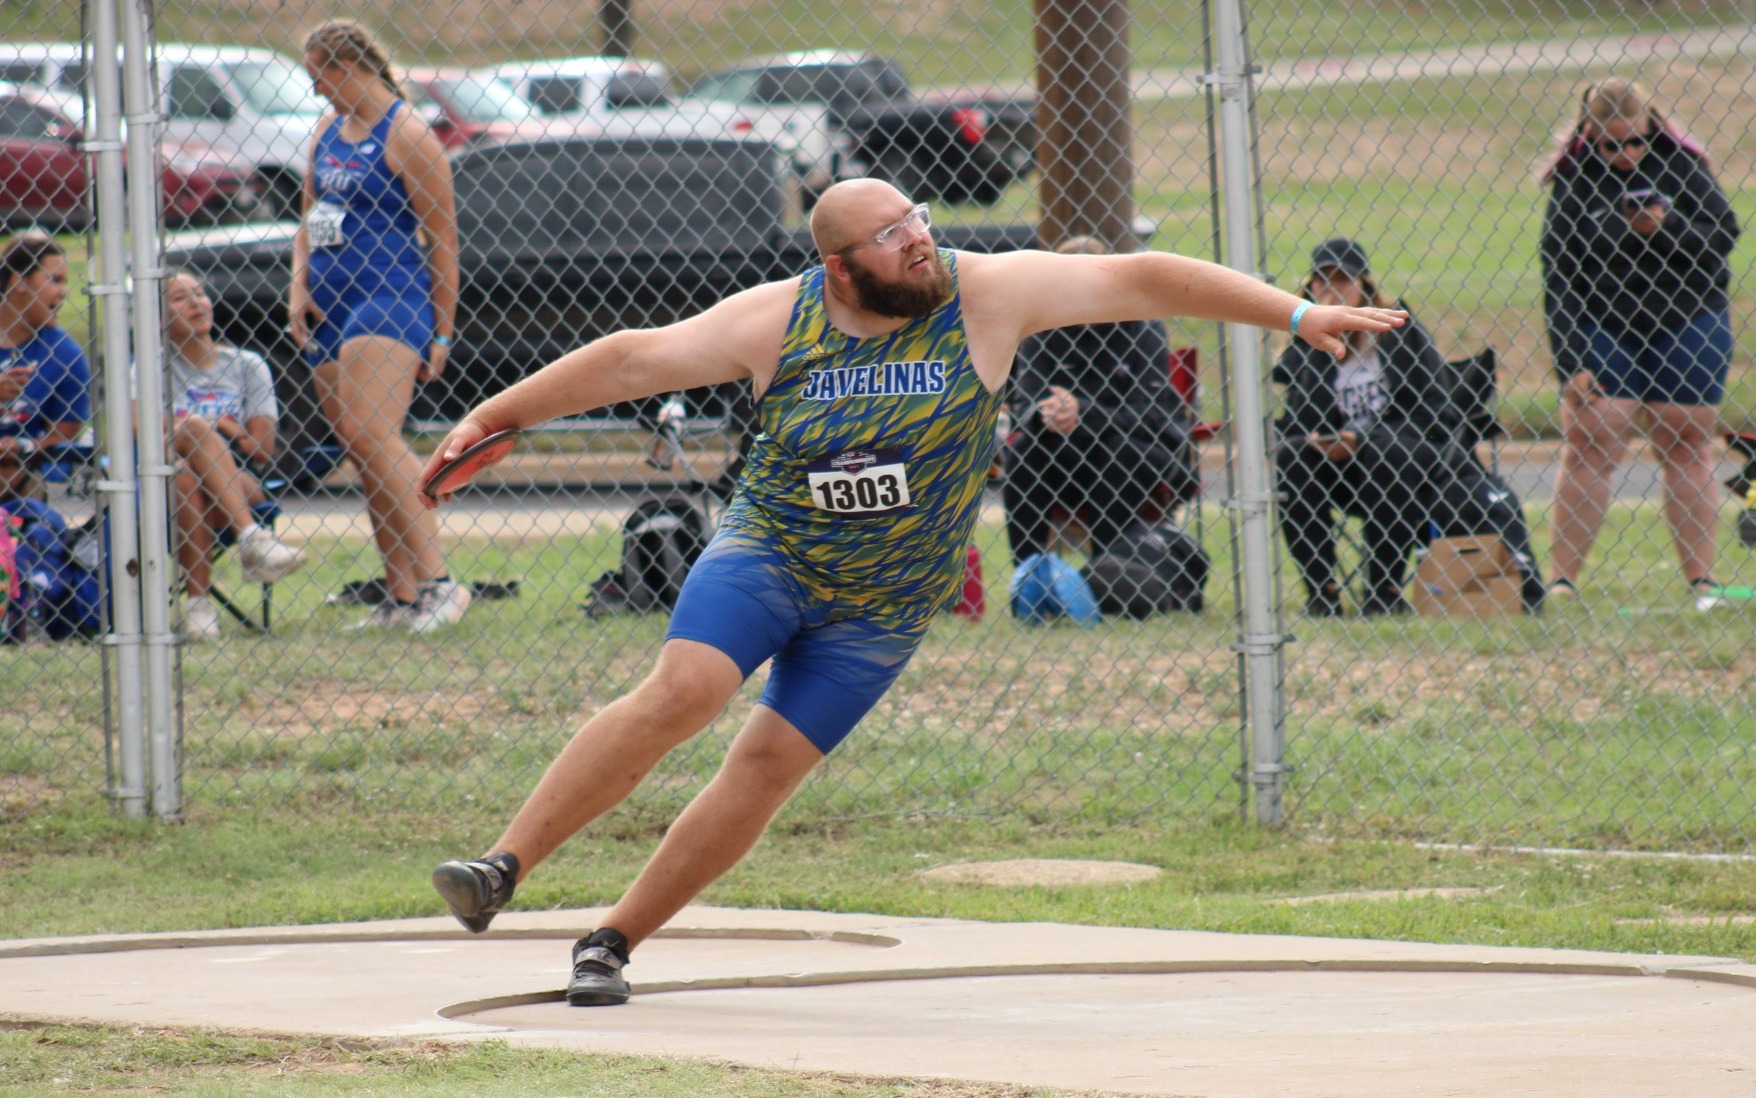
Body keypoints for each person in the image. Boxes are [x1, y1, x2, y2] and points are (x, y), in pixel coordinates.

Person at [424, 180, 1405, 1007]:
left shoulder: (984, 294)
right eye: (894, 236)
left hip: (883, 605)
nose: (921, 241)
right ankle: (500, 867)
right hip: (771, 554)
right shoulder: (781, 316)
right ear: (843, 266)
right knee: (683, 693)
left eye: (919, 219)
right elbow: (635, 356)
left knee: (766, 764)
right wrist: (493, 415)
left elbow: (1140, 277)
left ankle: (611, 944)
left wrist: (1294, 312)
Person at [289, 20, 468, 633]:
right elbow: (311, 215)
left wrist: (442, 331)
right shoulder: (327, 130)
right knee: (360, 451)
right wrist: (298, 286)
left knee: (374, 434)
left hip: (388, 299)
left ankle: (440, 582)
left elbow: (442, 239)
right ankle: (402, 594)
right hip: (329, 303)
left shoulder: (409, 135)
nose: (316, 92)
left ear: (346, 68)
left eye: (320, 78)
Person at [1540, 79, 1740, 611]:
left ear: (1651, 129)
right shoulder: (1576, 179)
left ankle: (1701, 582)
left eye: (1637, 141)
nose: (1627, 154)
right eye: (1613, 145)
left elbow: (1723, 233)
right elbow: (1558, 276)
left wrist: (1666, 225)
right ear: (1591, 137)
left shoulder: (1682, 165)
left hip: (1688, 317)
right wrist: (1570, 363)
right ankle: (1561, 582)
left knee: (1686, 443)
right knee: (1590, 438)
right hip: (1606, 324)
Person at [1272, 238, 1543, 616]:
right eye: (1321, 281)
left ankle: (1383, 592)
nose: (1332, 289)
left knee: (1386, 452)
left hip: (1411, 464)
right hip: (1340, 470)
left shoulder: (1398, 329)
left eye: (1343, 280)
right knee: (1291, 458)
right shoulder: (1307, 344)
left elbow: (1436, 412)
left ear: (1364, 286)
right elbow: (1297, 422)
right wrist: (1319, 441)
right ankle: (1323, 593)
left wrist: (1364, 439)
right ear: (1310, 288)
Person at [1003, 235, 1195, 563]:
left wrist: (1085, 413)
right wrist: (1045, 414)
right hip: (1067, 451)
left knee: (1119, 450)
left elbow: (1150, 414)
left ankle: (1108, 572)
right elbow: (1023, 405)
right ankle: (1030, 576)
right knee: (1023, 454)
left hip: (1140, 451)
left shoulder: (1141, 326)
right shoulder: (1041, 331)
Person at [158, 270, 304, 642]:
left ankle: (198, 607)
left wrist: (221, 432)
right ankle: (252, 541)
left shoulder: (247, 364)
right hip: (169, 484)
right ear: (158, 317)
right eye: (179, 298)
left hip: (240, 482)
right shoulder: (150, 368)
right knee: (187, 466)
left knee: (190, 438)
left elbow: (260, 448)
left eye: (200, 293)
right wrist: (215, 427)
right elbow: (146, 436)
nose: (195, 303)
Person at [0, 233, 90, 506]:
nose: (64, 292)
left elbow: (64, 435)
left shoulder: (65, 355)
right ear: (20, 282)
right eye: (55, 280)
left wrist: (21, 447)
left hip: (18, 473)